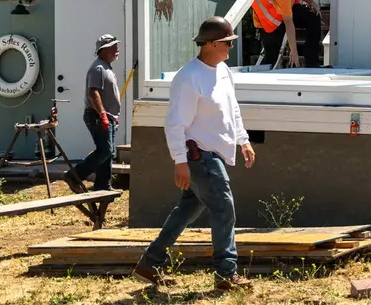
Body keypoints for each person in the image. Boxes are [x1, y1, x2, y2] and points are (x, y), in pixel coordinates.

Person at [133, 16, 256, 292]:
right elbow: (175, 123)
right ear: (210, 44)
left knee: (186, 210)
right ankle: (226, 274)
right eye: (227, 43)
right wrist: (180, 162)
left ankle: (149, 263)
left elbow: (231, 109)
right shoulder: (188, 78)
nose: (230, 48)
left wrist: (243, 140)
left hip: (212, 154)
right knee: (224, 209)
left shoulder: (223, 71)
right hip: (200, 156)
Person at [65, 34, 121, 193]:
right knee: (105, 150)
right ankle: (74, 176)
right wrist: (103, 114)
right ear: (103, 50)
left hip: (107, 116)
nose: (117, 49)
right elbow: (93, 93)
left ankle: (103, 186)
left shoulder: (106, 67)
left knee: (109, 153)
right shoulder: (98, 69)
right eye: (113, 46)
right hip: (97, 116)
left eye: (117, 46)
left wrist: (112, 116)